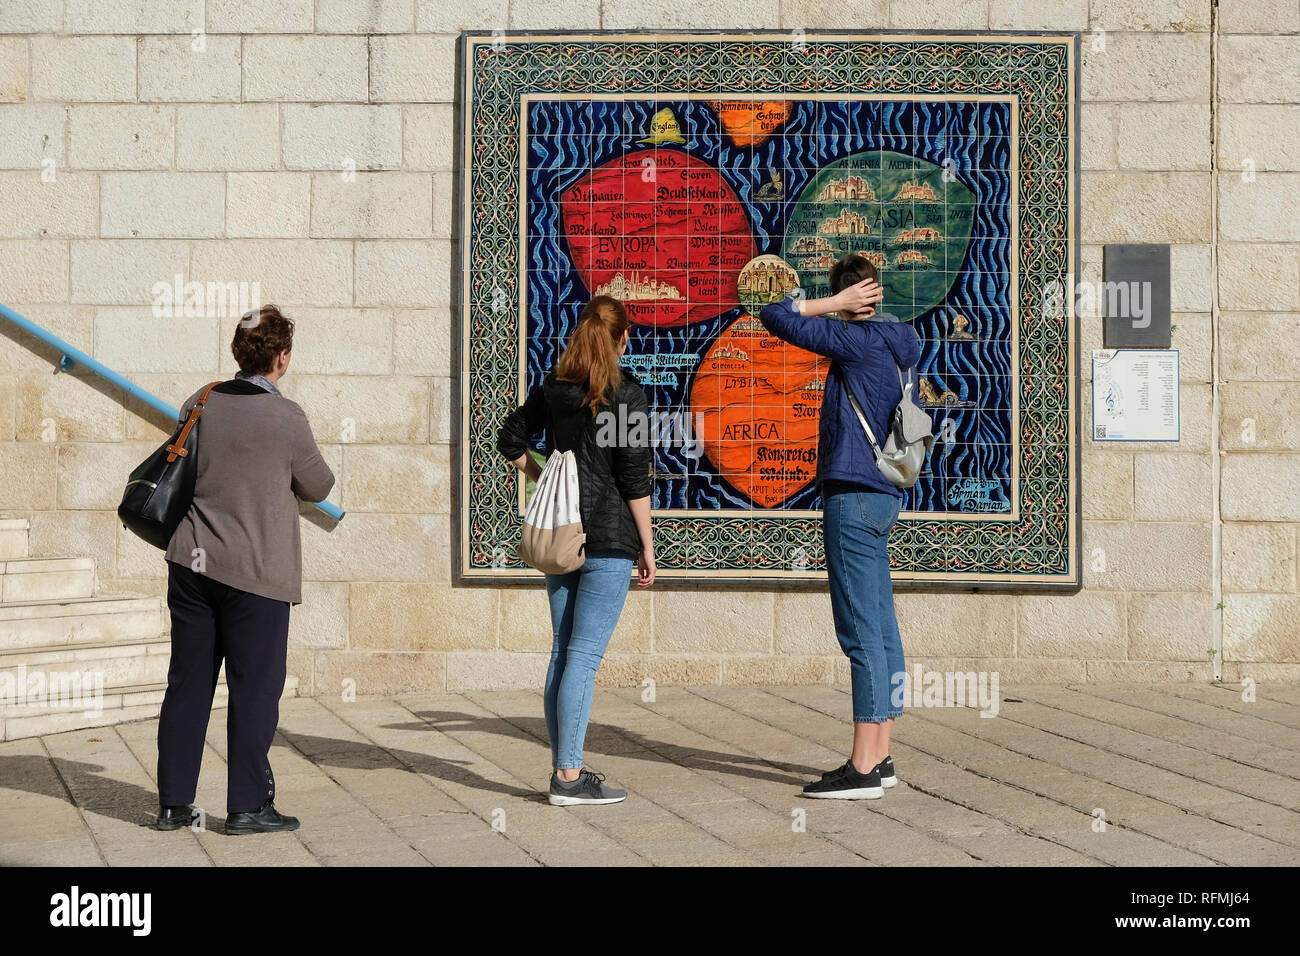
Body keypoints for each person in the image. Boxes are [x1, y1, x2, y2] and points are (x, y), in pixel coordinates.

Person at [155, 305, 335, 833]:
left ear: (239, 353)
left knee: (187, 683)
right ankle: (248, 806)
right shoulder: (286, 417)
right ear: (281, 358)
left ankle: (173, 804)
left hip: (191, 563)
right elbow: (319, 485)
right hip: (256, 573)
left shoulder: (201, 400)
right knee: (254, 689)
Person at [759, 253, 921, 799]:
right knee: (881, 626)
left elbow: (775, 314)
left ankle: (862, 770)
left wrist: (828, 304)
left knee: (858, 633)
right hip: (885, 495)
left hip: (852, 495)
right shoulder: (903, 340)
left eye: (844, 298)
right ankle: (881, 752)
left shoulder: (857, 339)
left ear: (852, 298)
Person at [497, 295, 655, 806]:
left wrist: (545, 477)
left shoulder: (555, 389)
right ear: (623, 338)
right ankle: (569, 777)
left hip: (563, 535)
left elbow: (511, 438)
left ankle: (564, 768)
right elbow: (633, 477)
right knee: (583, 659)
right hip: (609, 538)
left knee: (563, 654)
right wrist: (648, 546)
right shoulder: (627, 396)